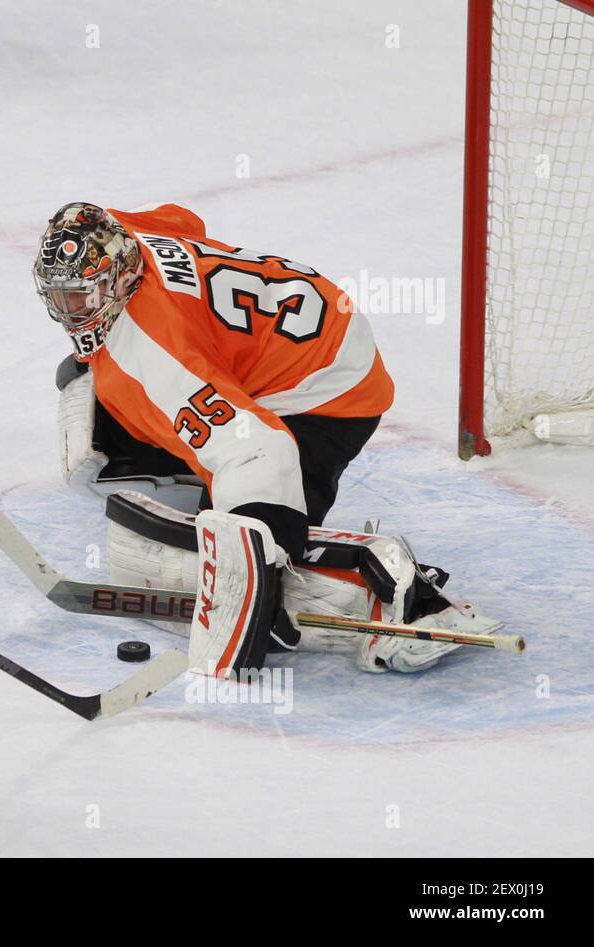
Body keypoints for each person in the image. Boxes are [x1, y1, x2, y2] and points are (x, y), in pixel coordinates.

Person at [33, 201, 498, 676]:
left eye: (82, 297)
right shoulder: (121, 235)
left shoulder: (154, 351)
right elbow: (182, 220)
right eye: (62, 297)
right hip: (297, 332)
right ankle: (218, 504)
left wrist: (249, 581)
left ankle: (404, 596)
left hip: (326, 396)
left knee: (254, 537)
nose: (71, 311)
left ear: (118, 278)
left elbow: (260, 447)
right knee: (92, 402)